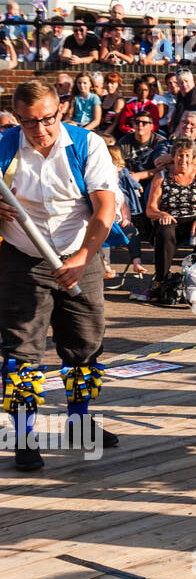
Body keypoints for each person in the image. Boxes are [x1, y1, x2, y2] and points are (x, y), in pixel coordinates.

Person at [0, 80, 122, 470]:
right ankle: (22, 437)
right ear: (17, 118)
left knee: (85, 346)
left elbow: (104, 211)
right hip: (23, 257)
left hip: (78, 252)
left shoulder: (87, 145)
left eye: (48, 119)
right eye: (29, 122)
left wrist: (84, 259)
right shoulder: (5, 148)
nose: (40, 130)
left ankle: (78, 422)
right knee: (21, 351)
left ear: (62, 110)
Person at [145, 137, 196, 300]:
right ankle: (161, 283)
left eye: (187, 155)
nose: (183, 160)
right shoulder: (162, 176)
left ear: (193, 157)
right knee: (164, 231)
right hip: (172, 219)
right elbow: (150, 209)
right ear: (173, 156)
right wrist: (161, 214)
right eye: (179, 155)